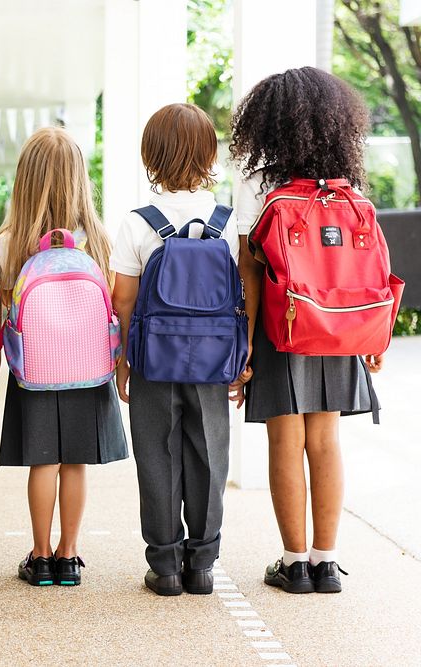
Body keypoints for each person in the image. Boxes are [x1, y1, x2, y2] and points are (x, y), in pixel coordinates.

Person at [230, 67, 382, 594]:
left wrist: (244, 343)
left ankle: (293, 564)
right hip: (339, 326)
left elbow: (249, 267)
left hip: (281, 326)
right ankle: (327, 562)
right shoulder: (350, 187)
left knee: (285, 440)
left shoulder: (261, 184)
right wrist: (371, 339)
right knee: (326, 439)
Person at [112, 103, 240, 596]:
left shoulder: (139, 223)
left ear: (152, 155)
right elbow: (240, 296)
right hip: (212, 359)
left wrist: (124, 360)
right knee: (209, 455)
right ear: (210, 154)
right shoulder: (225, 223)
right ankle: (202, 565)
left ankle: (164, 566)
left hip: (154, 360)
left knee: (157, 455)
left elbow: (123, 299)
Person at [0, 127, 128, 587]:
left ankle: (40, 555)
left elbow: (4, 301)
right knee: (75, 463)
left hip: (35, 366)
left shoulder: (12, 239)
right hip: (88, 368)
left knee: (44, 462)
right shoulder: (97, 237)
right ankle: (70, 556)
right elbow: (109, 298)